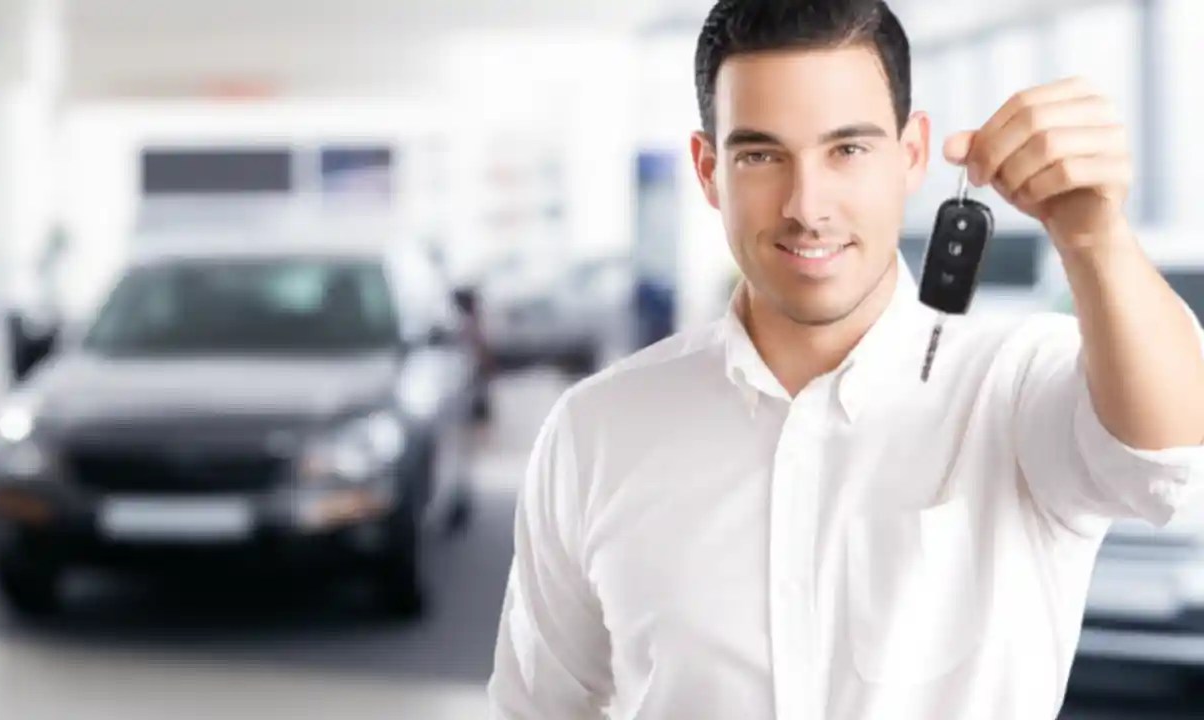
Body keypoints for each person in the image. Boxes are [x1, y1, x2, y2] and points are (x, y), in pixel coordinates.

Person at [486, 0, 1204, 717]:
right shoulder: (596, 430)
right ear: (709, 171)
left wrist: (1095, 236)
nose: (807, 204)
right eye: (762, 155)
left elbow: (1165, 459)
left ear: (912, 154)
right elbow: (540, 706)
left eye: (848, 149)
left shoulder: (1013, 381)